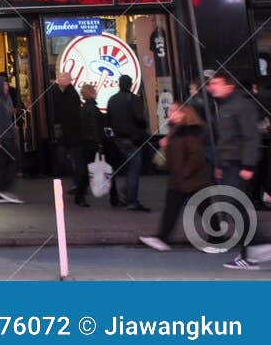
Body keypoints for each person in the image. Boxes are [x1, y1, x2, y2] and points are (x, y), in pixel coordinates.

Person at [199, 70, 263, 269]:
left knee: (236, 205)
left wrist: (248, 165)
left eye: (215, 83)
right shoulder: (225, 105)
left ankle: (254, 251)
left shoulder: (241, 105)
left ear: (228, 85)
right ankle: (253, 250)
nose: (211, 87)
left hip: (237, 163)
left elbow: (250, 137)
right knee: (236, 206)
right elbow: (224, 139)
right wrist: (219, 164)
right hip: (229, 164)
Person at [139, 101, 209, 252]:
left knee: (198, 207)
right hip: (182, 177)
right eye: (170, 111)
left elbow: (196, 156)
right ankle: (163, 238)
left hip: (189, 178)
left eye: (174, 111)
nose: (170, 114)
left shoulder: (189, 131)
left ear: (184, 114)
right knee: (179, 208)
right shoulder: (176, 130)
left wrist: (183, 173)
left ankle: (163, 238)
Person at [106, 73, 150, 213]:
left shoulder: (112, 99)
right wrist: (143, 128)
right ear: (130, 84)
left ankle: (125, 196)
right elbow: (140, 118)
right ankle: (132, 201)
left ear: (119, 84)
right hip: (132, 139)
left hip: (118, 139)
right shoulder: (134, 99)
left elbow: (108, 120)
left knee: (127, 169)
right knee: (134, 170)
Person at [50, 71, 89, 206]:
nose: (58, 80)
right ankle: (79, 184)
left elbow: (71, 115)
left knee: (73, 159)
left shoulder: (70, 94)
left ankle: (79, 185)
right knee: (70, 158)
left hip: (72, 133)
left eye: (61, 79)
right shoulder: (62, 92)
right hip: (68, 133)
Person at [0, 73, 23, 204]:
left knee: (3, 165)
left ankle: (1, 192)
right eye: (4, 84)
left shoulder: (4, 97)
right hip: (2, 138)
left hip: (5, 136)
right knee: (13, 161)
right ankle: (3, 190)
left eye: (7, 83)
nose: (7, 86)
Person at [78, 83, 106, 208]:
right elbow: (95, 127)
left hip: (85, 141)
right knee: (88, 170)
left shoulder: (83, 108)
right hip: (92, 142)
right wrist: (99, 142)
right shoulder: (93, 109)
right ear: (91, 93)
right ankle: (80, 194)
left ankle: (80, 194)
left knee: (86, 169)